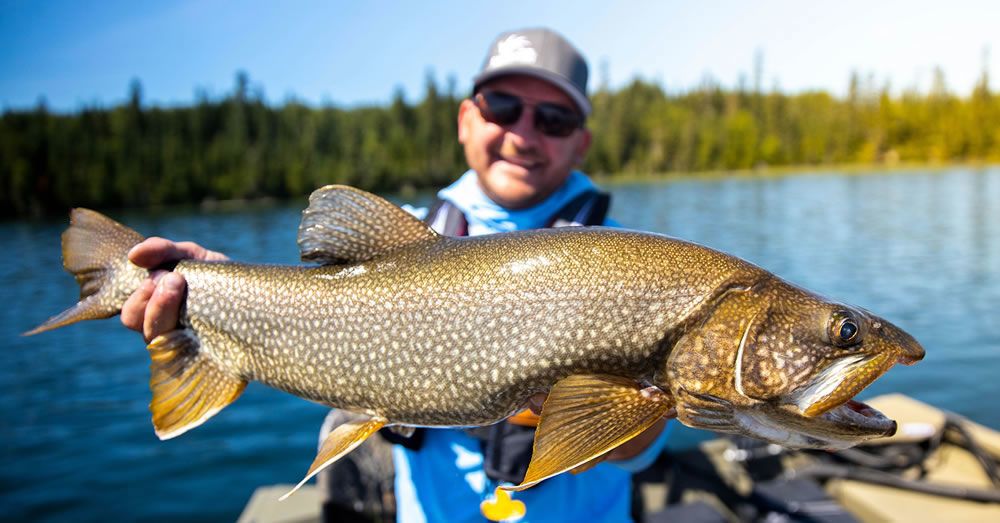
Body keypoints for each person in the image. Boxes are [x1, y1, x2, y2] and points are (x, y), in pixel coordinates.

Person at [122, 28, 671, 522]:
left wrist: (621, 417)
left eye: (554, 120)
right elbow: (308, 297)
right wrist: (210, 288)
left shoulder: (634, 266)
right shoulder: (404, 237)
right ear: (466, 120)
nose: (523, 134)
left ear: (581, 142)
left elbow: (639, 451)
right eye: (502, 107)